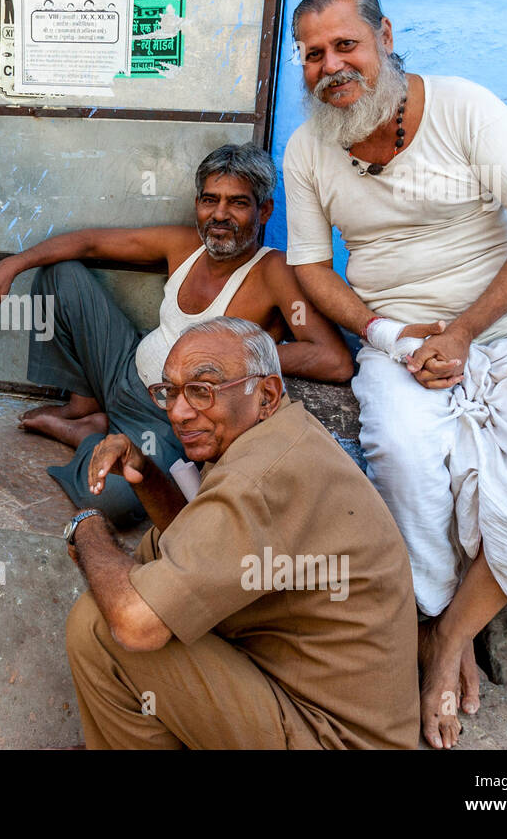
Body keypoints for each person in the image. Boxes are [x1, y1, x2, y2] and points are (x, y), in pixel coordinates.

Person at [282, 0, 507, 748]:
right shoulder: (307, 149)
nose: (330, 65)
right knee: (400, 455)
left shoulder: (464, 107)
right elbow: (310, 269)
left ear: (385, 36)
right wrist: (390, 337)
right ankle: (428, 615)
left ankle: (449, 640)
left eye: (345, 45)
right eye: (311, 53)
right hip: (395, 342)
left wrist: (462, 332)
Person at [63, 318, 418, 748]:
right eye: (169, 392)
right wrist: (148, 477)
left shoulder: (258, 476)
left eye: (202, 389)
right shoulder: (277, 433)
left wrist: (88, 528)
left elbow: (136, 623)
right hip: (309, 702)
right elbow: (205, 547)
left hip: (329, 736)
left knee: (101, 627)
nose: (177, 411)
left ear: (266, 393)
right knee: (154, 565)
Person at [0, 143, 351, 526]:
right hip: (124, 366)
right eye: (209, 200)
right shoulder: (183, 245)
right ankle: (85, 408)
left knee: (107, 498)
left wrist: (235, 362)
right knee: (60, 273)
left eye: (237, 203)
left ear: (263, 210)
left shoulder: (273, 271)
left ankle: (86, 437)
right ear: (197, 204)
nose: (220, 215)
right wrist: (12, 265)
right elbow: (90, 242)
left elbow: (334, 360)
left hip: (166, 418)